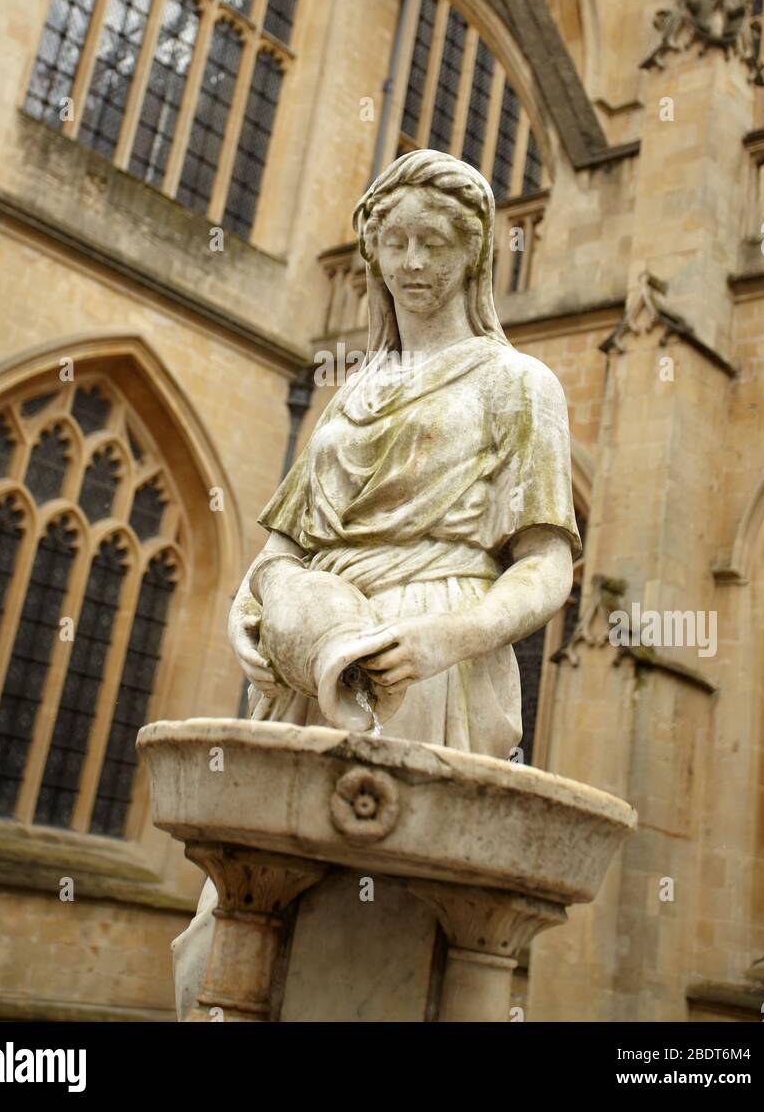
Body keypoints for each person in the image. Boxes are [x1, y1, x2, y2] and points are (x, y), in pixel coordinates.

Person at [172, 149, 581, 1017]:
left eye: (434, 243)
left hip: (427, 661)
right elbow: (282, 549)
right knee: (246, 916)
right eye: (394, 242)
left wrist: (443, 640)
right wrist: (255, 607)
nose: (413, 264)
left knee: (385, 923)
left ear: (473, 256)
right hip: (305, 654)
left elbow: (548, 565)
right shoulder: (350, 392)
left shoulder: (518, 385)